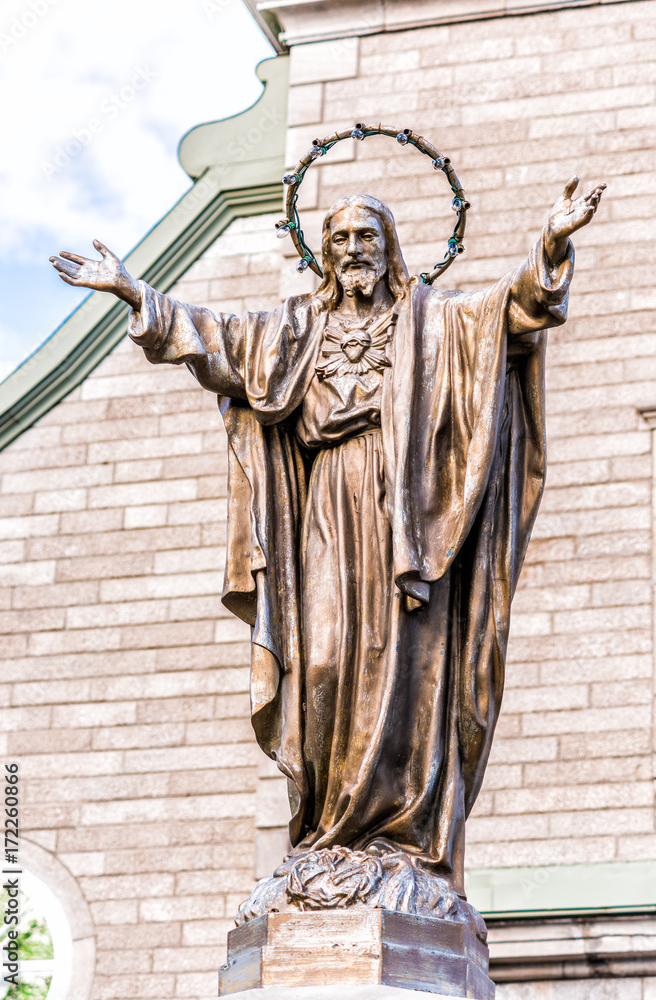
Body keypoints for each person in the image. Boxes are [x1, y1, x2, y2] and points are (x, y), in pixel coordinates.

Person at [50, 176, 604, 898]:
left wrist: (551, 242)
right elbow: (215, 339)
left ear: (389, 245)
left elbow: (511, 309)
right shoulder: (293, 328)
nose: (352, 250)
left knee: (404, 673)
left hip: (405, 517)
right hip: (323, 511)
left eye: (365, 236)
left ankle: (397, 839)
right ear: (323, 252)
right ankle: (323, 832)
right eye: (339, 238)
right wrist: (135, 295)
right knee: (324, 664)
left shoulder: (432, 319)